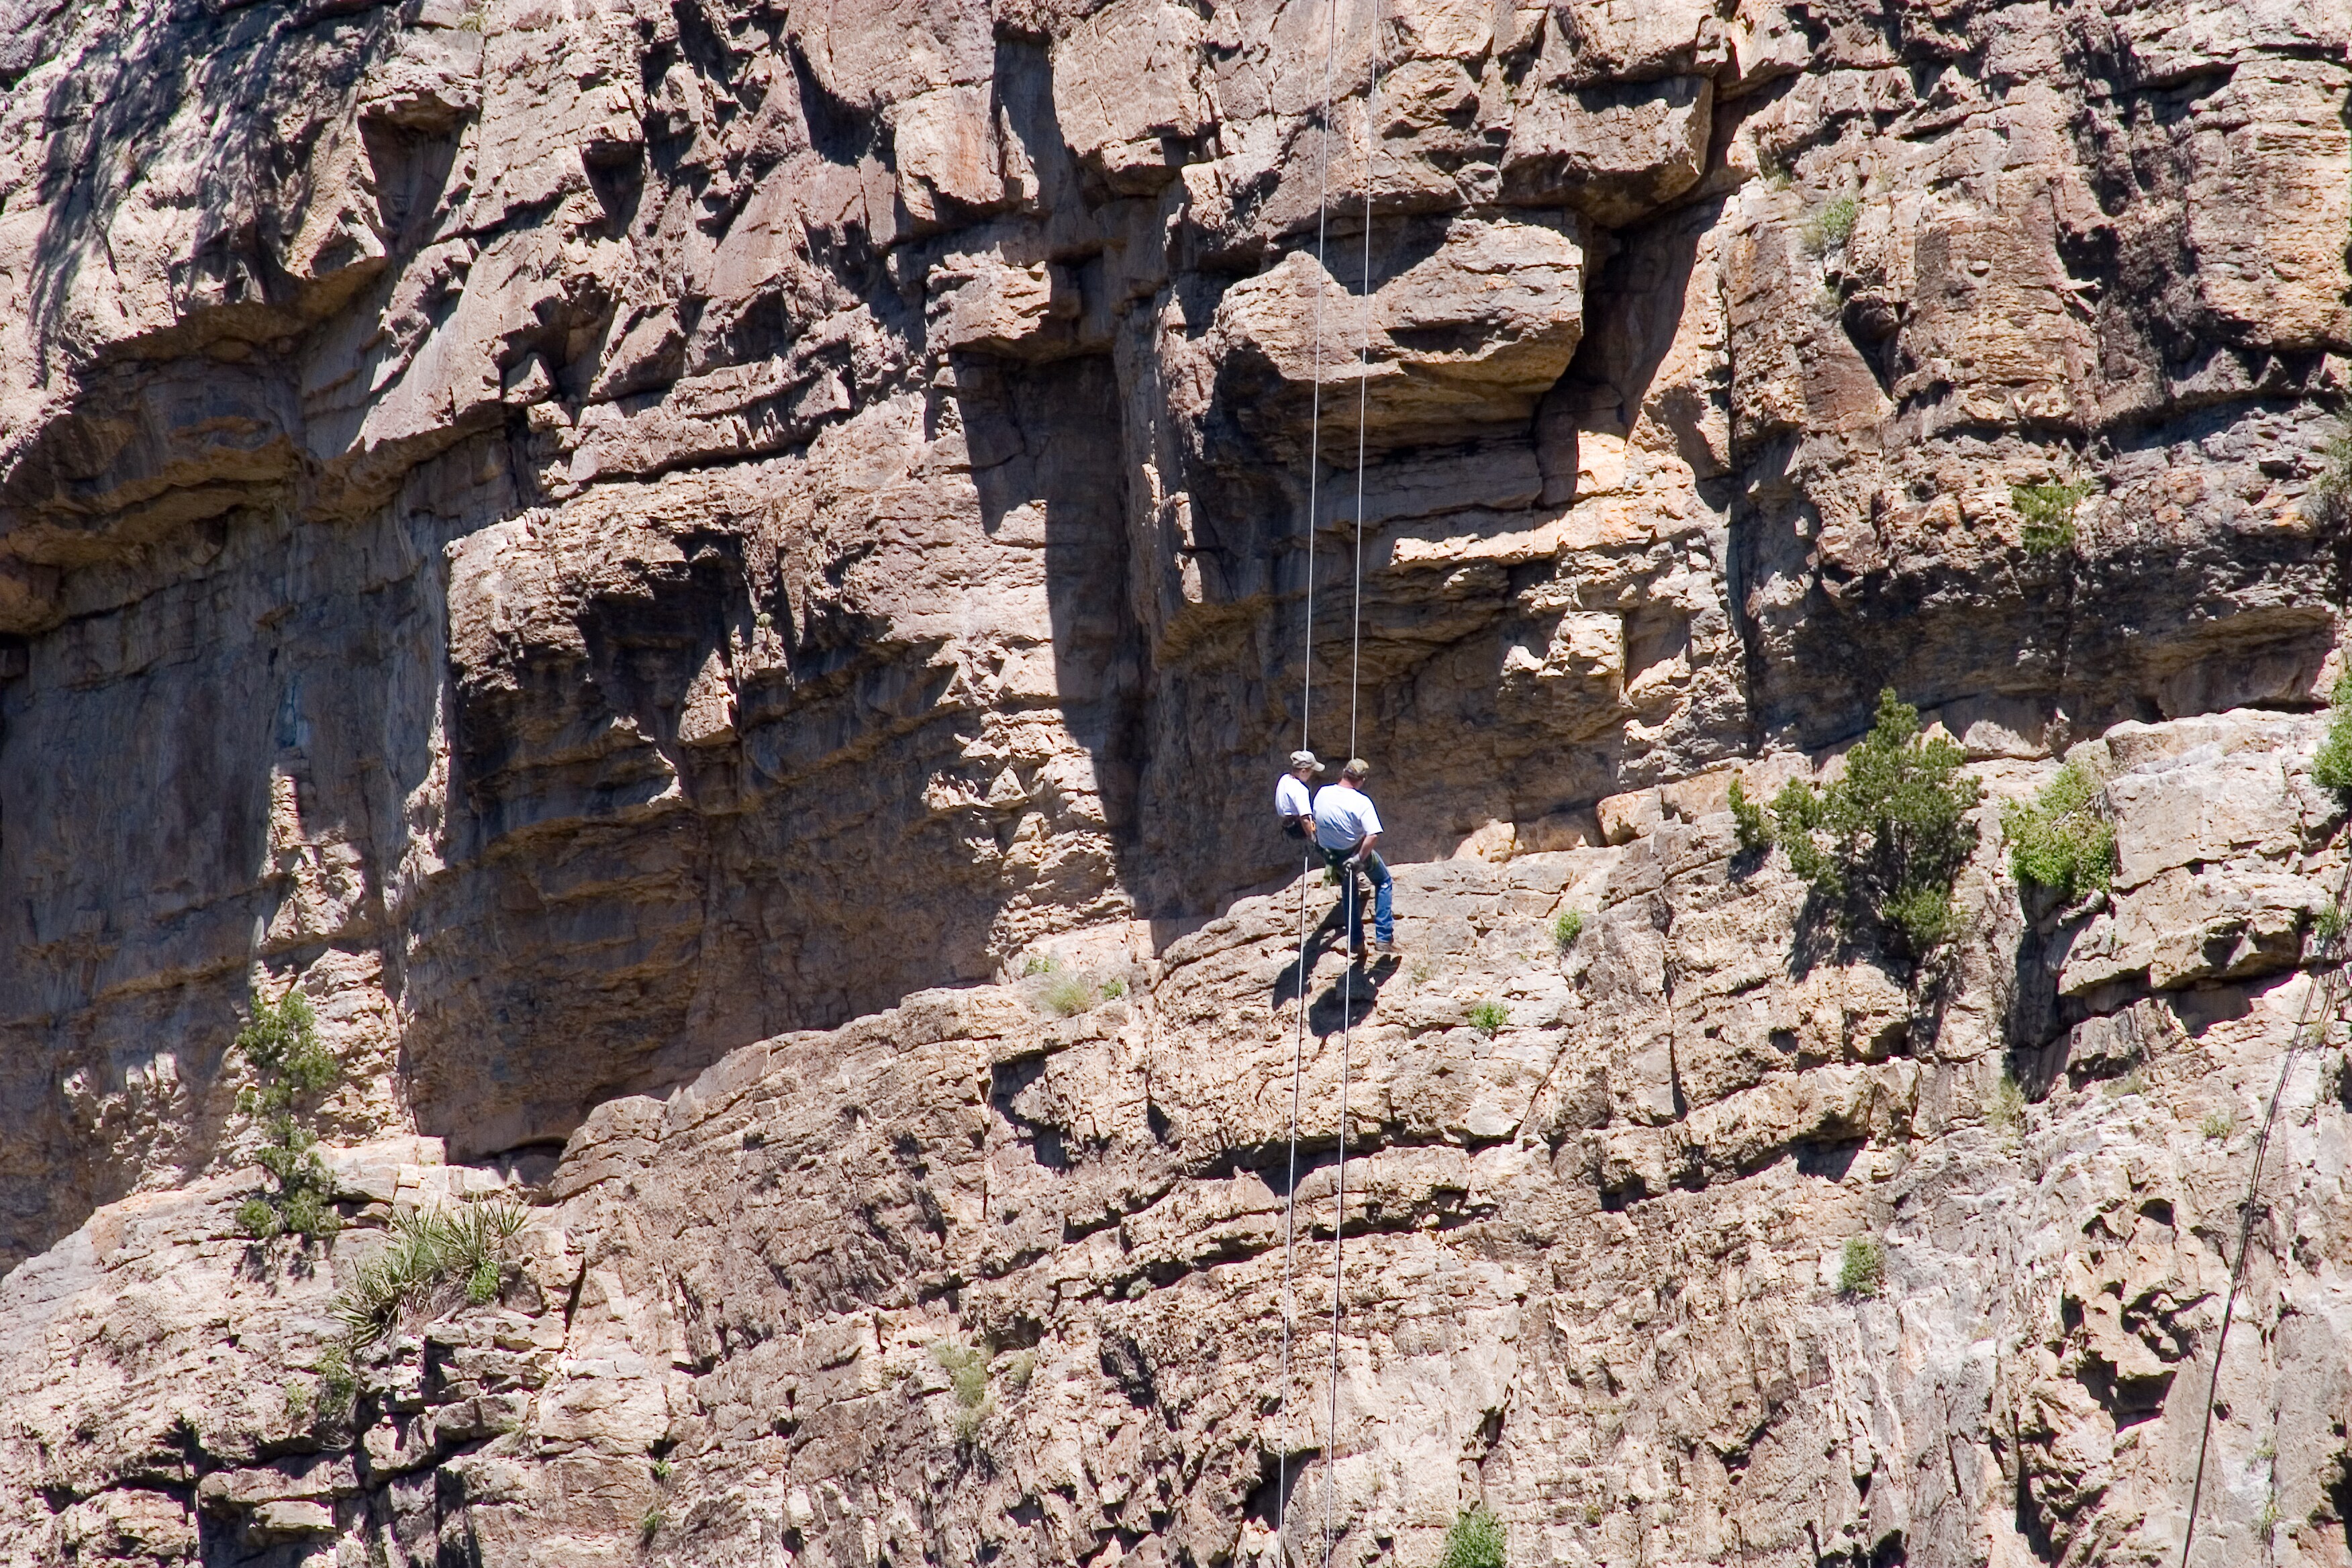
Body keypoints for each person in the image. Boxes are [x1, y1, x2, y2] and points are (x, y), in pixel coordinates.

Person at [1313, 758, 1395, 959]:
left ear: (1344, 773)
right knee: (1384, 881)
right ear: (1362, 780)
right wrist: (1359, 858)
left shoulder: (1322, 793)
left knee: (1349, 892)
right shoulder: (1361, 802)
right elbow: (1372, 835)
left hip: (1331, 854)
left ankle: (1356, 941)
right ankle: (1384, 937)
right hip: (1351, 853)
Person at [1275, 750, 1322, 840]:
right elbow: (1305, 819)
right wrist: (1313, 838)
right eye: (1311, 772)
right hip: (1298, 829)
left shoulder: (1284, 778)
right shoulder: (1300, 789)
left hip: (1287, 826)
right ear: (1303, 771)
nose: (1311, 775)